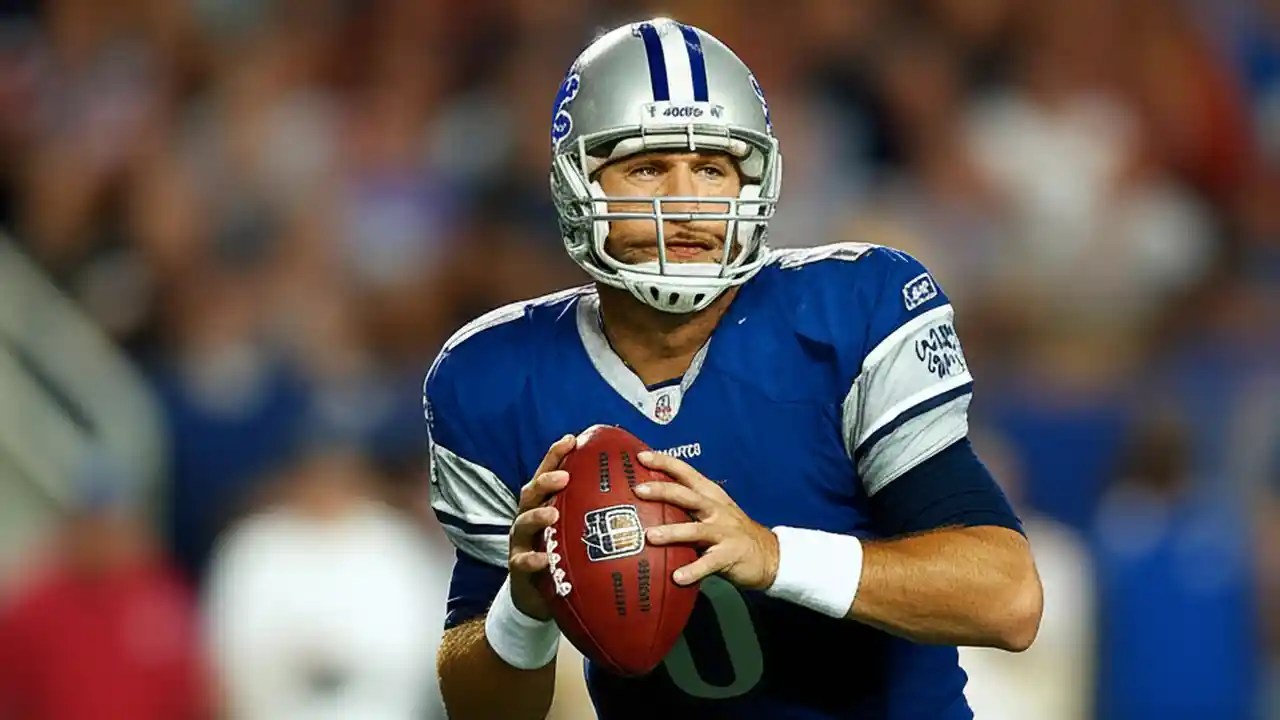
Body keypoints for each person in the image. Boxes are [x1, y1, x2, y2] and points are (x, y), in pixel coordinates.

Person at [423, 17, 1042, 719]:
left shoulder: (848, 313)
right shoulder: (494, 377)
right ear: (576, 184)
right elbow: (484, 710)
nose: (686, 200)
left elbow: (1007, 599)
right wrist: (523, 607)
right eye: (648, 167)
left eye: (713, 169)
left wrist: (772, 556)